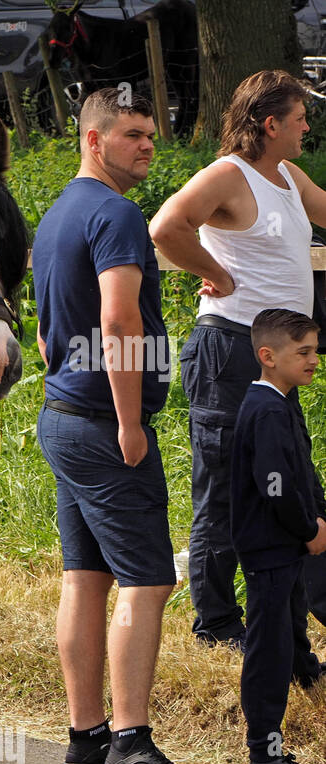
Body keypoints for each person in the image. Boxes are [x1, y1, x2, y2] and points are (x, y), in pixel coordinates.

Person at [32, 86, 206, 764]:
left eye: (151, 136)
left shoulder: (57, 214)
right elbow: (120, 322)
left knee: (85, 577)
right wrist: (131, 421)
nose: (147, 147)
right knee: (150, 579)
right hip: (106, 425)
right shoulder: (117, 213)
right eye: (133, 134)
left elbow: (45, 328)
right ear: (94, 141)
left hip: (62, 418)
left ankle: (86, 736)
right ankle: (131, 744)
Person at [150, 70, 326, 681]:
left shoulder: (288, 177)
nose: (308, 125)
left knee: (292, 481)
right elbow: (166, 226)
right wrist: (215, 275)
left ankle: (296, 615)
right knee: (224, 488)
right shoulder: (230, 174)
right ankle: (217, 624)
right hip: (230, 349)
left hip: (280, 359)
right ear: (270, 123)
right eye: (300, 117)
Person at [229, 309, 326, 764]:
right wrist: (307, 529)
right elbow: (275, 486)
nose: (314, 361)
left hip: (287, 544)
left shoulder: (285, 402)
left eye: (314, 350)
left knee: (292, 622)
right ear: (268, 357)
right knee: (268, 648)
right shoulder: (265, 409)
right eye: (303, 352)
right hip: (269, 547)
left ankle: (309, 675)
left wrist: (319, 514)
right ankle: (264, 753)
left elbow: (303, 472)